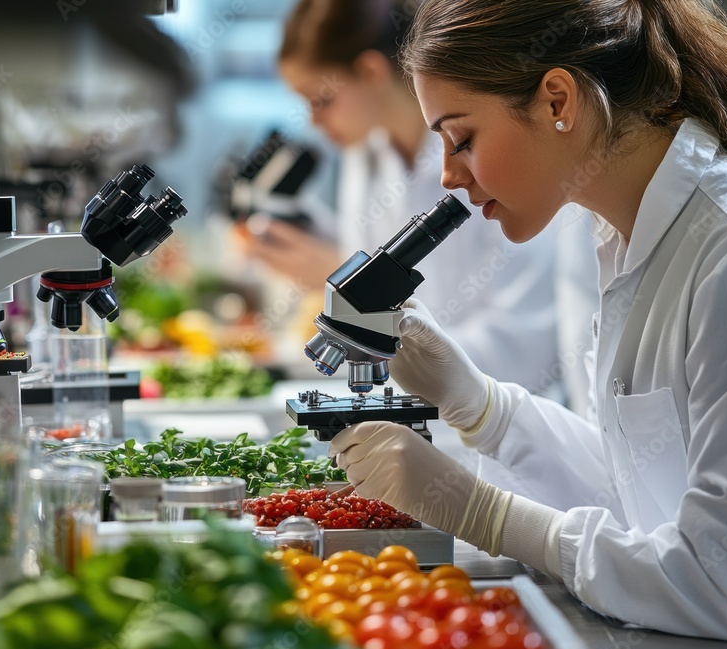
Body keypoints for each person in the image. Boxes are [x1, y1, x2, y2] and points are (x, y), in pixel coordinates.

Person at [329, 0, 727, 647]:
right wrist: (483, 407)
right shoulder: (626, 236)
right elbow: (644, 494)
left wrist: (486, 513)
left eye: (462, 138)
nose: (448, 176)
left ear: (556, 102)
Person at [241, 0, 600, 413]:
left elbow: (524, 343)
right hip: (430, 398)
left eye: (320, 100)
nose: (312, 121)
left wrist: (404, 344)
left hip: (513, 409)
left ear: (370, 72)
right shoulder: (369, 157)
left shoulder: (492, 161)